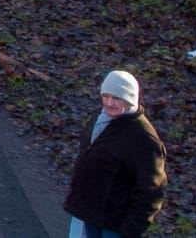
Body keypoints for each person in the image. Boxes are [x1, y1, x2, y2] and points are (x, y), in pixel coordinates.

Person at [64, 70, 166, 238]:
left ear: (130, 100)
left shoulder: (144, 138)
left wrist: (131, 230)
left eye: (117, 98)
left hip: (116, 226)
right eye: (106, 96)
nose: (109, 103)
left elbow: (151, 191)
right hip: (91, 215)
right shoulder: (100, 119)